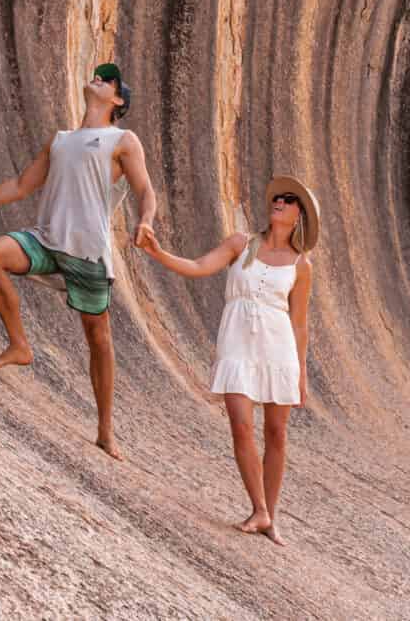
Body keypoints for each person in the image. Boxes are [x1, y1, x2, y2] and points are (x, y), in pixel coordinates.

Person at [0, 63, 157, 460]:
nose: (100, 79)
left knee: (99, 340)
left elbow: (145, 189)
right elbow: (20, 186)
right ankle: (20, 345)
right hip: (46, 240)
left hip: (87, 251)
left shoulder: (122, 140)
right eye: (98, 74)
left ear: (117, 99)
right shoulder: (61, 140)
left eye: (108, 79)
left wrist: (146, 221)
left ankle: (106, 430)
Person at [136, 176, 318, 544]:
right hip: (237, 339)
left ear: (299, 213)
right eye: (276, 198)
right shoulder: (243, 244)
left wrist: (301, 375)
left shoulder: (301, 265)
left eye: (287, 199)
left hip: (278, 346)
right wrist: (160, 255)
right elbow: (201, 266)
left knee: (276, 433)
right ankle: (259, 508)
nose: (278, 202)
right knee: (239, 422)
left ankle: (271, 515)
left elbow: (299, 323)